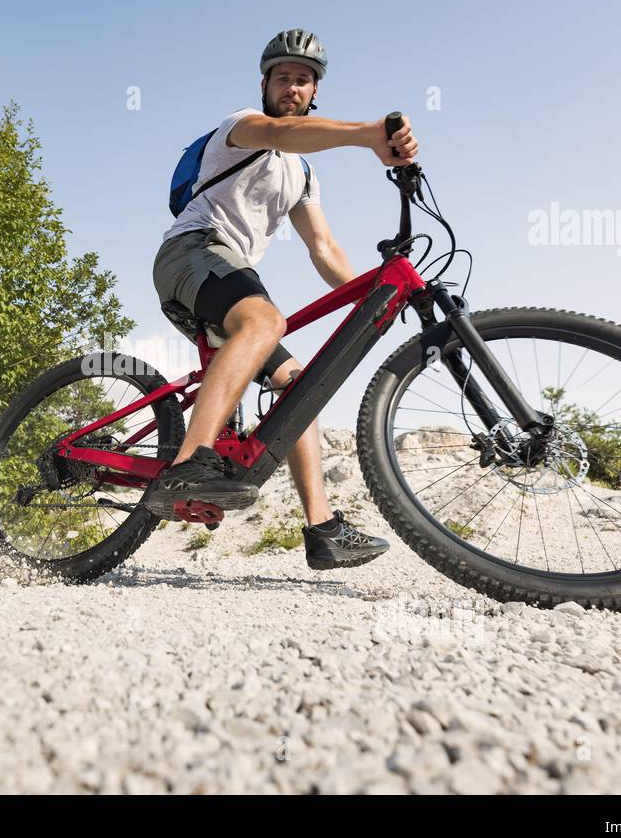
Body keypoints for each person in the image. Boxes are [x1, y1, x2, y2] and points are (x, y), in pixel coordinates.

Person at [145, 28, 419, 569]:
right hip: (192, 252)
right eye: (283, 77)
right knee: (266, 320)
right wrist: (368, 134)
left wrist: (376, 294)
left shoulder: (302, 174)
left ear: (315, 91)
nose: (292, 87)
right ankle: (190, 460)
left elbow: (323, 248)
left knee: (301, 387)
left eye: (304, 80)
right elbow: (285, 134)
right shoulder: (243, 127)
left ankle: (322, 529)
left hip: (228, 274)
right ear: (266, 84)